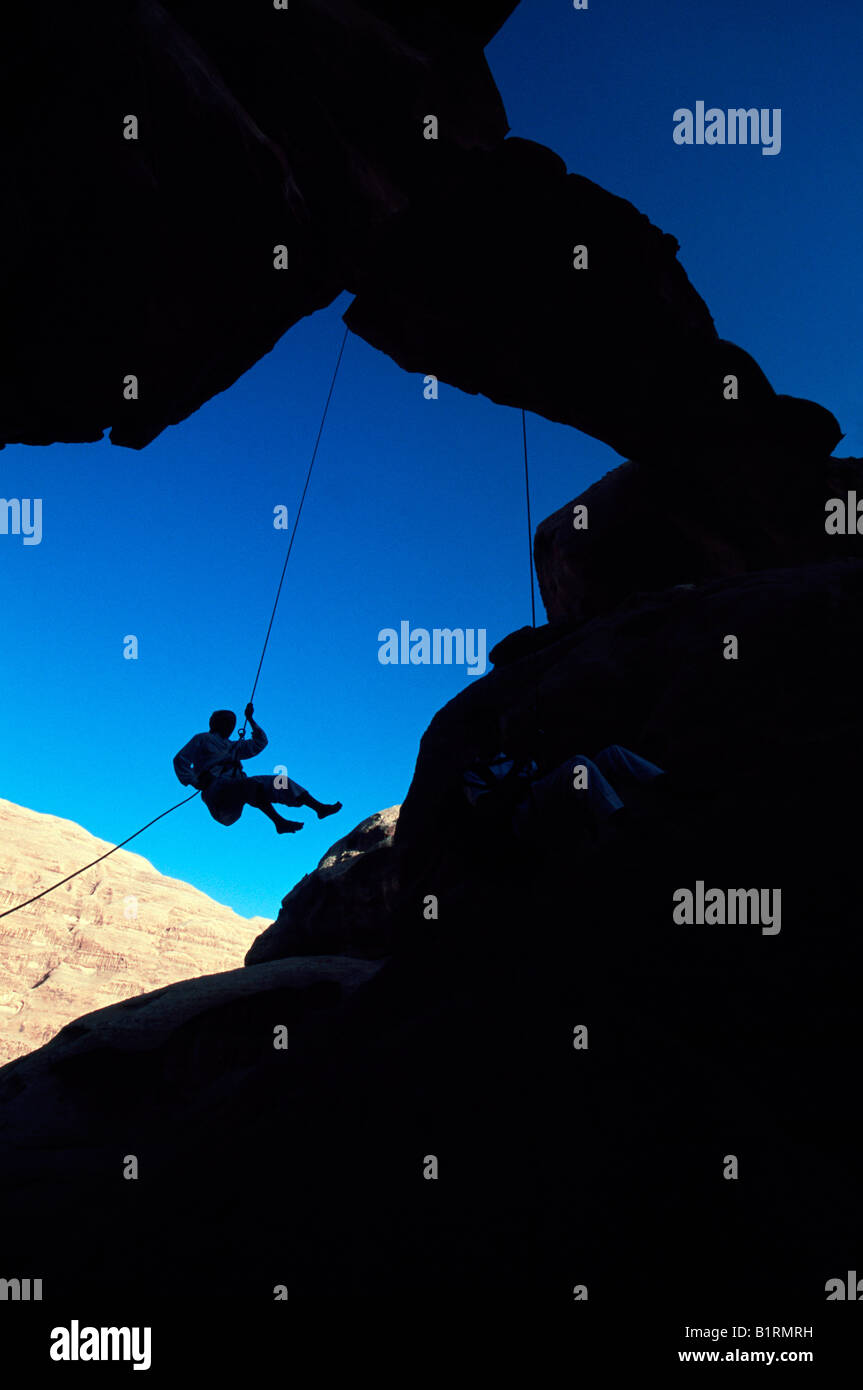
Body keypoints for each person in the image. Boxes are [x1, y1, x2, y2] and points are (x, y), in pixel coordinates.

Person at [173, 703, 341, 834]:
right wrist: (196, 781)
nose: (230, 725)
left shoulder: (233, 746)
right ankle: (279, 822)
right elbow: (180, 759)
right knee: (250, 785)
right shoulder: (202, 739)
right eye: (227, 722)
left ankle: (319, 808)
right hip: (217, 793)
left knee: (280, 781)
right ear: (216, 723)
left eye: (232, 722)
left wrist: (251, 719)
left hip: (236, 786)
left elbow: (260, 743)